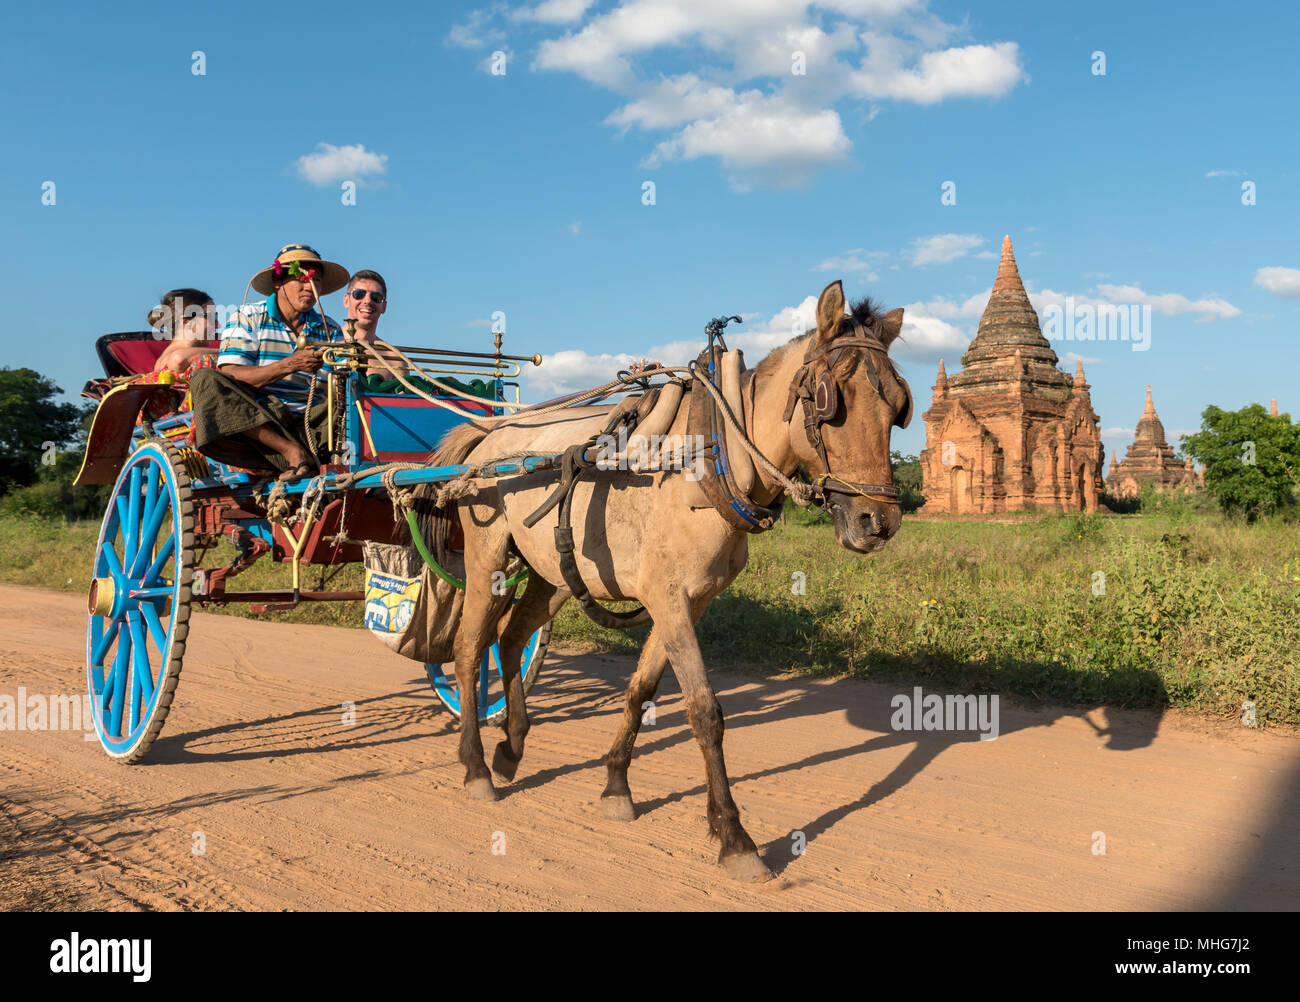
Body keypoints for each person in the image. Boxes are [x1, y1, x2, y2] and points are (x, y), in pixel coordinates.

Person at [187, 243, 348, 479]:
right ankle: (290, 451)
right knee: (206, 380)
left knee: (358, 405)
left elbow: (340, 385)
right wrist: (291, 364)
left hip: (311, 426)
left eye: (316, 281)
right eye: (301, 279)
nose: (309, 287)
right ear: (278, 282)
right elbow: (232, 376)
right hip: (260, 424)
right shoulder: (248, 316)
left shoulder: (330, 329)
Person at [149, 289, 219, 374]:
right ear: (185, 321)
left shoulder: (162, 360)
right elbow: (179, 359)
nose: (217, 325)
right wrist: (226, 353)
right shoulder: (184, 358)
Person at [343, 270, 387, 344]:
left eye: (376, 297)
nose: (367, 301)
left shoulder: (392, 354)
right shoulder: (324, 340)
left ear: (384, 306)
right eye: (359, 294)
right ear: (346, 301)